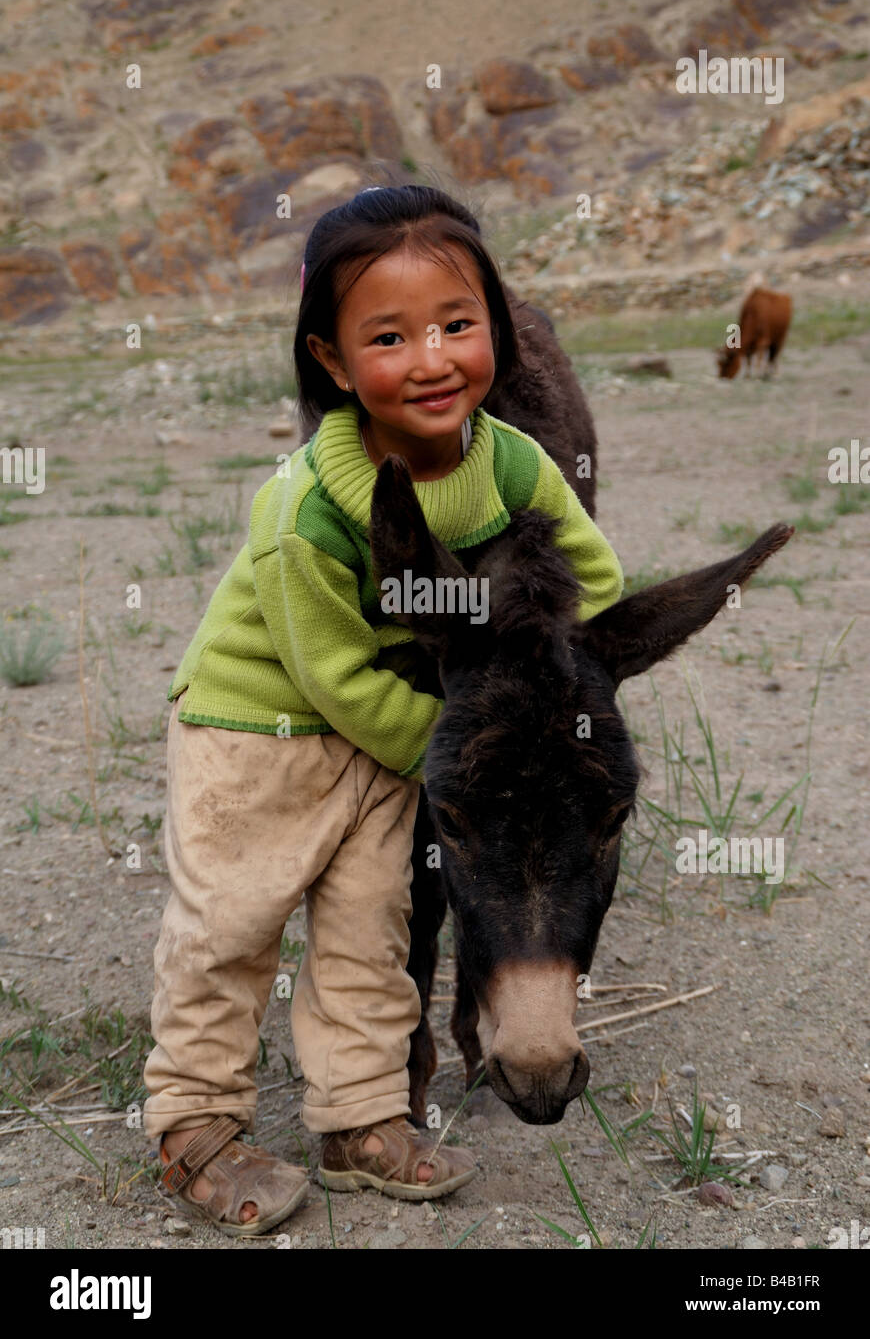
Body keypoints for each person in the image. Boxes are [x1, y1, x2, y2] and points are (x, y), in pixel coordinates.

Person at [142, 183, 624, 1236]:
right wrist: (466, 758)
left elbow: (597, 575)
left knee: (374, 924)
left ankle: (360, 1115)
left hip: (389, 745)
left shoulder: (514, 460)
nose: (435, 357)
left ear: (501, 325)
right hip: (256, 734)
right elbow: (327, 677)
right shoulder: (305, 510)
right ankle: (194, 1124)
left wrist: (576, 675)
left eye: (460, 325)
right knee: (231, 927)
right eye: (391, 336)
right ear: (329, 359)